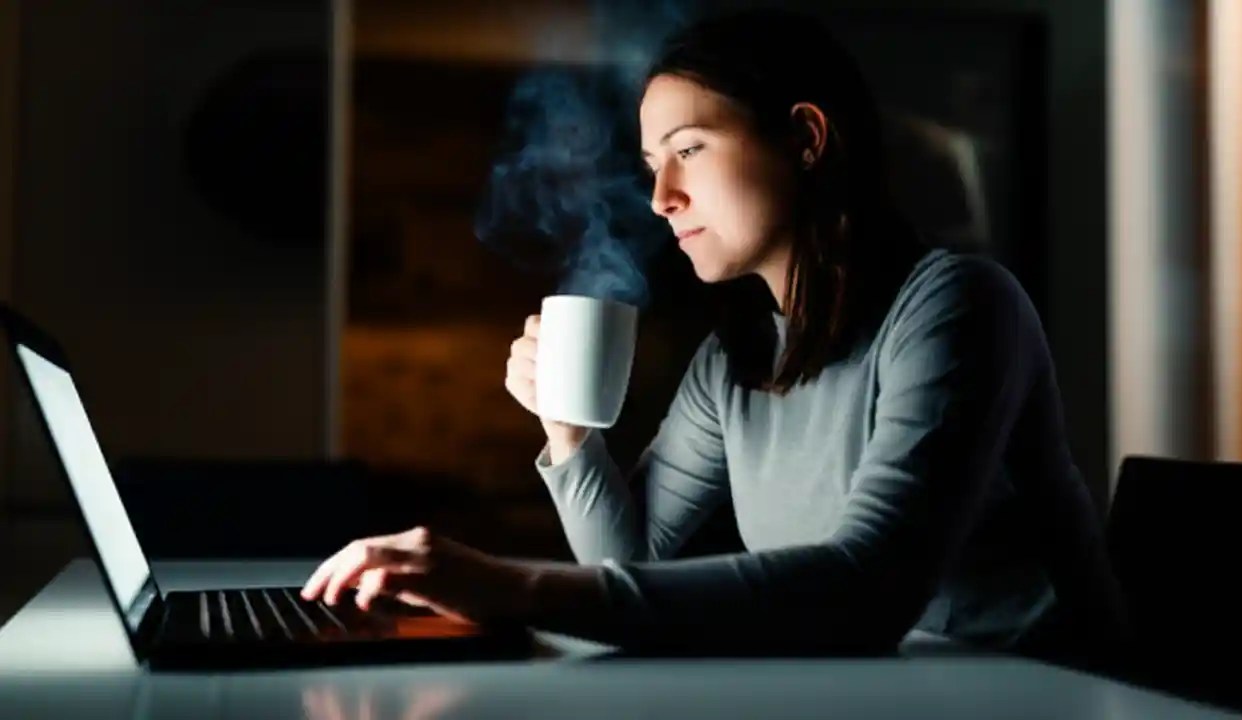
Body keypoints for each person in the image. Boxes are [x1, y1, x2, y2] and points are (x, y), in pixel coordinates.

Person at [301, 8, 1128, 664]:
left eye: (689, 150)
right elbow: (631, 564)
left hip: (1041, 696)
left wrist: (509, 586)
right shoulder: (735, 360)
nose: (661, 196)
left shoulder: (957, 306)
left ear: (806, 138)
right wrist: (569, 433)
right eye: (651, 164)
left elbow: (870, 589)